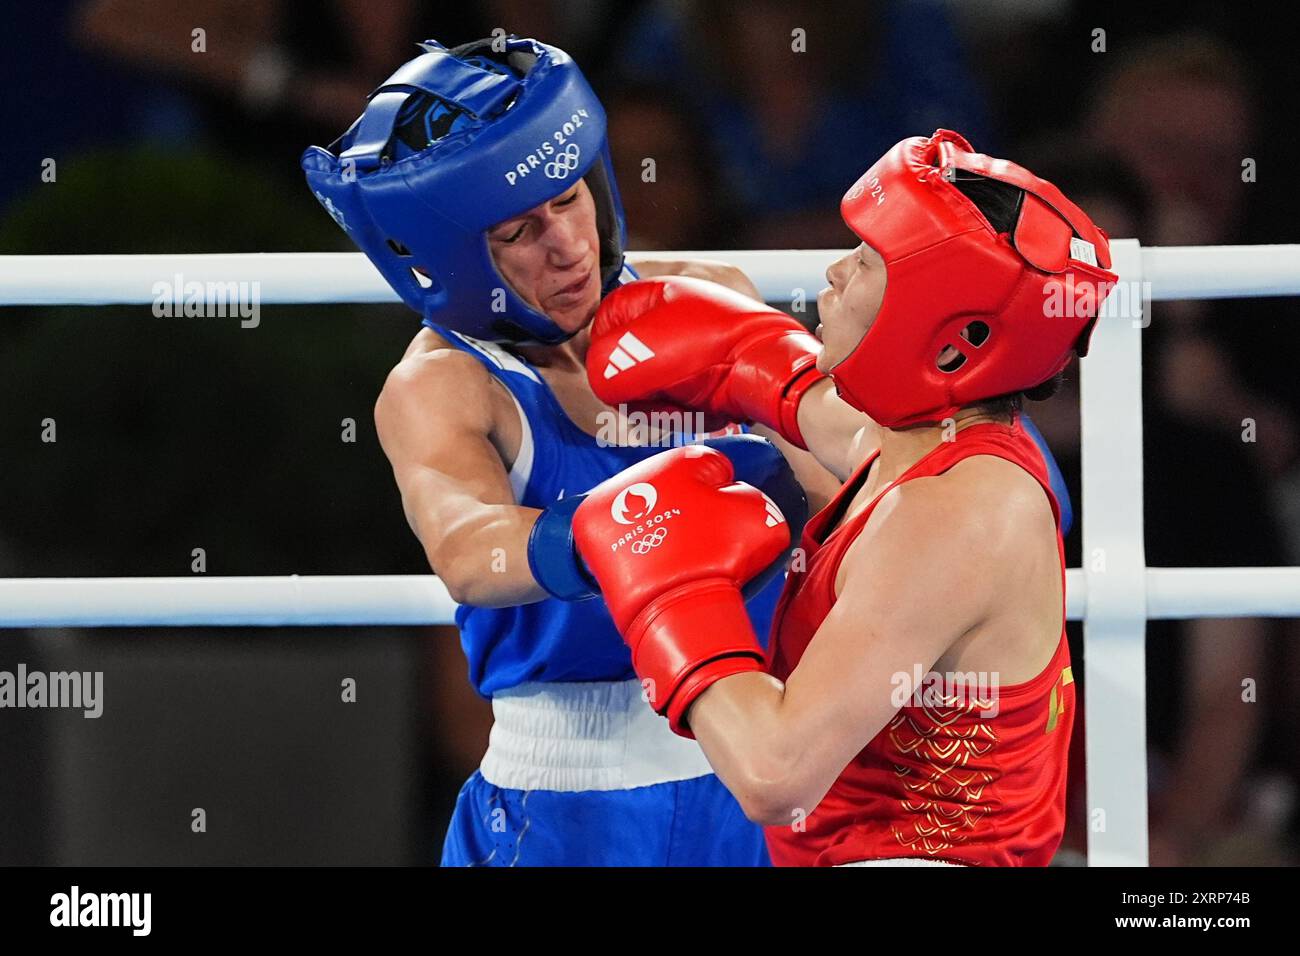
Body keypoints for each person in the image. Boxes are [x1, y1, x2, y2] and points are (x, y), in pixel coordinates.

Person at [301, 36, 821, 866]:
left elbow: (843, 489)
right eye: (520, 230)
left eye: (570, 198)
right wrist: (605, 534)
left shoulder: (712, 297)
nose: (569, 244)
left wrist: (800, 401)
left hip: (761, 766)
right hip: (565, 803)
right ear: (450, 259)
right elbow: (467, 546)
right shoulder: (444, 384)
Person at [548, 129, 1118, 865]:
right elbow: (830, 421)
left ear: (948, 343)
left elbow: (775, 774)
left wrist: (671, 594)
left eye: (870, 262)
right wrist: (744, 353)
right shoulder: (919, 450)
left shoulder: (959, 511)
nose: (835, 272)